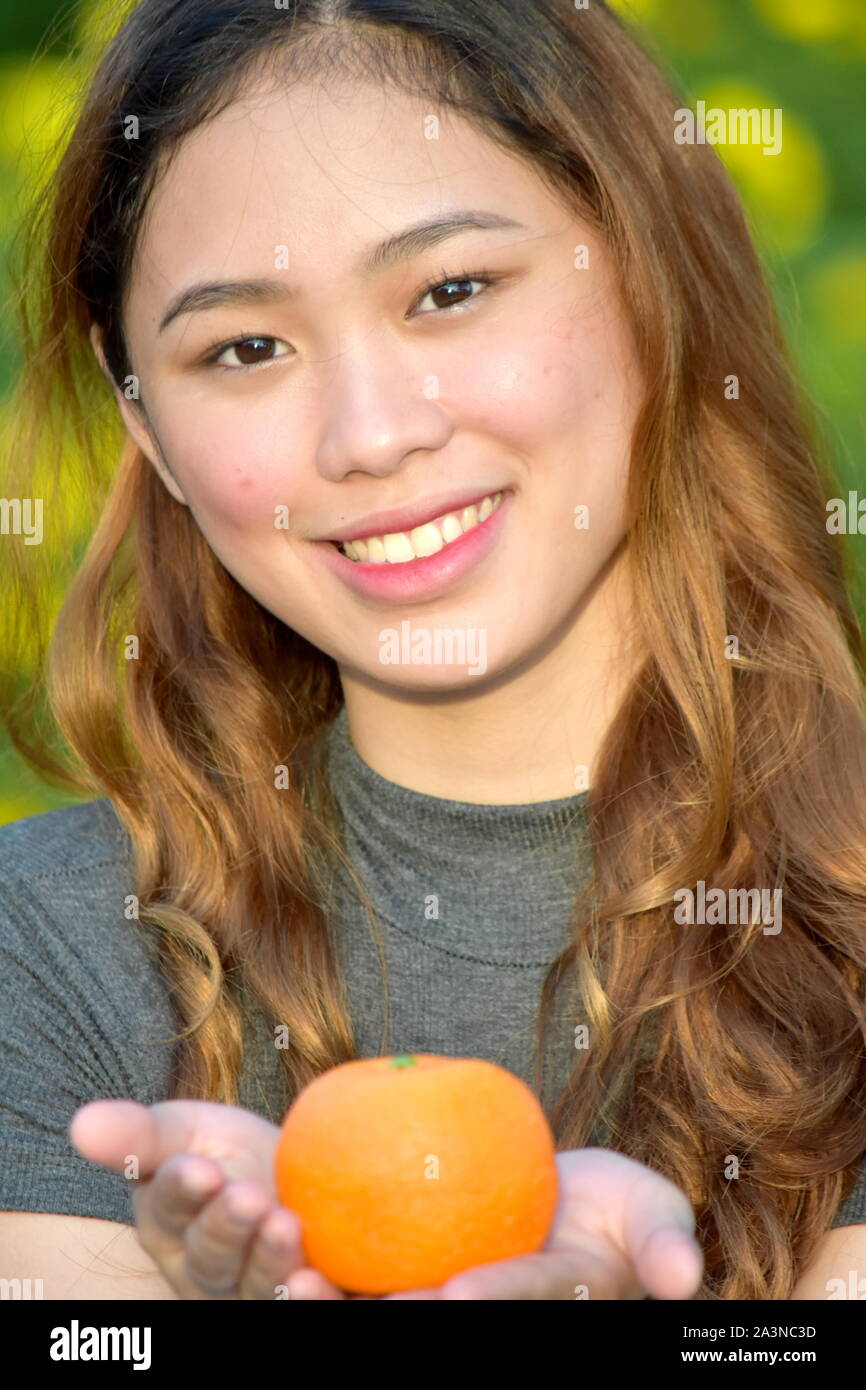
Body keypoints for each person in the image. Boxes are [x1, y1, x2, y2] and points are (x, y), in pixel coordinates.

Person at [1, 0, 865, 1302]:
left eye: (448, 291)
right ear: (154, 432)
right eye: (245, 347)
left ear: (651, 278)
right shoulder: (43, 941)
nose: (368, 434)